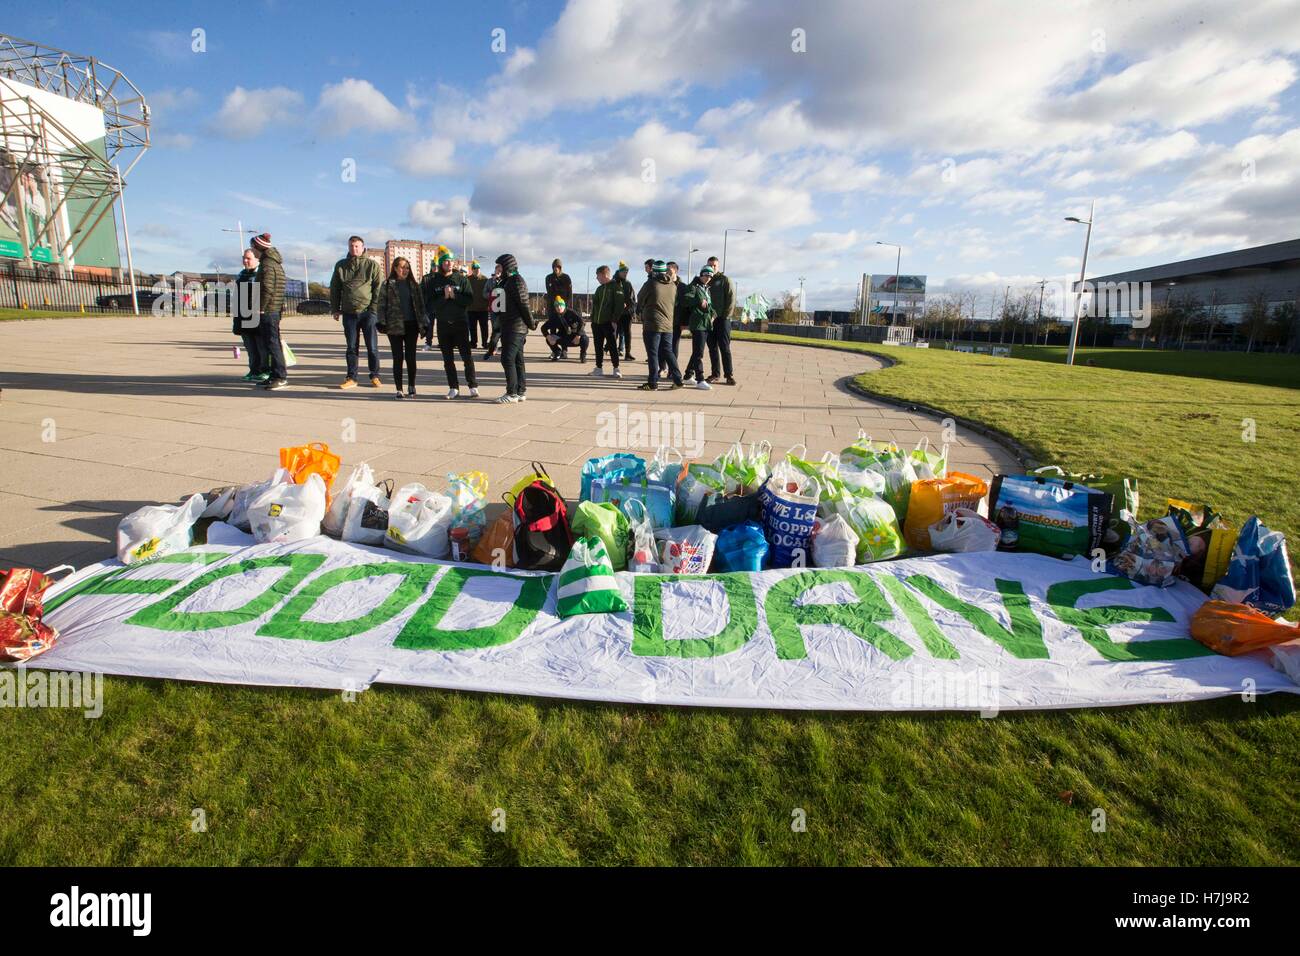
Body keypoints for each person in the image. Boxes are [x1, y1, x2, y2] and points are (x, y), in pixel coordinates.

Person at [329, 236, 383, 389]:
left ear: (363, 247)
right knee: (351, 347)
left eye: (357, 246)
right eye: (351, 246)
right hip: (349, 313)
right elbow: (335, 288)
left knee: (372, 347)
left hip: (368, 313)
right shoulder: (341, 266)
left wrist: (373, 309)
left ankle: (375, 375)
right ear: (348, 247)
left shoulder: (372, 265)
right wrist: (335, 308)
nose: (354, 249)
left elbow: (378, 288)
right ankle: (351, 377)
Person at [425, 245, 477, 399]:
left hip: (460, 323)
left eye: (450, 261)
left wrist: (455, 296)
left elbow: (469, 299)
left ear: (454, 263)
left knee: (467, 357)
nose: (448, 263)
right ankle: (453, 387)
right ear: (440, 263)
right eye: (445, 261)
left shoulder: (461, 279)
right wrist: (444, 298)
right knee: (448, 359)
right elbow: (430, 304)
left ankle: (473, 385)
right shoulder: (434, 281)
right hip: (443, 324)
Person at [376, 257, 426, 399]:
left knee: (411, 357)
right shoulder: (387, 284)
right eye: (401, 267)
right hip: (394, 326)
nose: (404, 270)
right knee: (397, 357)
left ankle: (412, 385)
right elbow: (381, 305)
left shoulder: (414, 285)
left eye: (407, 268)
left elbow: (421, 306)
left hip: (412, 325)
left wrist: (424, 323)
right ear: (395, 268)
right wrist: (381, 322)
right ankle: (399, 388)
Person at [494, 253, 536, 403]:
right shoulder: (506, 281)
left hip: (515, 327)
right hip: (509, 326)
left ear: (507, 266)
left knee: (507, 359)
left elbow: (524, 304)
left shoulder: (516, 281)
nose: (497, 269)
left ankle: (511, 393)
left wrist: (531, 323)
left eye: (499, 266)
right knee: (518, 359)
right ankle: (520, 391)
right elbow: (497, 305)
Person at [636, 259, 684, 391]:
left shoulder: (651, 283)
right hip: (668, 325)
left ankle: (653, 382)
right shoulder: (673, 285)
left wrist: (641, 310)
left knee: (653, 354)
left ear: (654, 271)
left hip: (653, 324)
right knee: (668, 352)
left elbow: (640, 299)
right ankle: (678, 379)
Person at [250, 233, 288, 391]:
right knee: (272, 343)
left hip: (269, 310)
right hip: (274, 308)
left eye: (253, 247)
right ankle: (274, 375)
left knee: (272, 344)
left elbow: (267, 288)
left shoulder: (267, 264)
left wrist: (260, 306)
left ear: (259, 247)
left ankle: (280, 376)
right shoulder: (274, 262)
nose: (252, 251)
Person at [232, 248, 266, 383]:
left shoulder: (261, 274)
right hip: (243, 315)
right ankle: (254, 370)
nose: (245, 261)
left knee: (262, 346)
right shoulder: (241, 275)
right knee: (250, 347)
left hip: (258, 315)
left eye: (249, 258)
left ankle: (265, 370)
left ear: (257, 259)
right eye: (244, 258)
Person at [681, 265, 716, 389]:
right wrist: (698, 301)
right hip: (697, 324)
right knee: (699, 353)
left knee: (697, 351)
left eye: (710, 276)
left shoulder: (706, 288)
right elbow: (685, 300)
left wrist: (713, 314)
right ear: (701, 274)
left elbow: (709, 305)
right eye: (706, 275)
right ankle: (700, 379)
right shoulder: (694, 287)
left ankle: (687, 375)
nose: (708, 278)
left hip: (706, 323)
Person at [705, 255, 737, 385]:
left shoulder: (725, 280)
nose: (712, 267)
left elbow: (731, 299)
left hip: (722, 319)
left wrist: (725, 316)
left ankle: (729, 375)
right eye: (710, 265)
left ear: (718, 266)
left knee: (725, 348)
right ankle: (715, 374)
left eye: (714, 266)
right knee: (712, 348)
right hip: (709, 320)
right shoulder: (705, 280)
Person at [589, 264, 623, 379]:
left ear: (604, 275)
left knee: (612, 346)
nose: (597, 278)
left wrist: (614, 320)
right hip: (597, 323)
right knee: (598, 346)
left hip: (609, 323)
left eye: (598, 276)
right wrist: (593, 320)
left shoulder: (616, 287)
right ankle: (598, 368)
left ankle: (616, 368)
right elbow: (595, 305)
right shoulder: (599, 289)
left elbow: (618, 306)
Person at [613, 260, 637, 361]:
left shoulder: (628, 284)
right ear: (619, 272)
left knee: (627, 333)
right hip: (616, 313)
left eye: (627, 272)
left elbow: (632, 299)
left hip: (627, 313)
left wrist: (631, 309)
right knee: (614, 333)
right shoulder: (613, 283)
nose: (625, 274)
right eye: (624, 272)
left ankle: (627, 353)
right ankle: (613, 352)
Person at [466, 259, 490, 352]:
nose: (477, 270)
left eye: (478, 268)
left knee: (484, 327)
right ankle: (473, 343)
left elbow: (489, 292)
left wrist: (488, 304)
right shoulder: (468, 279)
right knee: (472, 328)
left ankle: (485, 343)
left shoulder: (485, 279)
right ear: (472, 269)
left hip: (483, 308)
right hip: (471, 308)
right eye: (475, 268)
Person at [544, 259, 572, 326]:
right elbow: (549, 292)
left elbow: (570, 292)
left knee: (564, 324)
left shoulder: (566, 277)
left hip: (563, 305)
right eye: (554, 267)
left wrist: (567, 305)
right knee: (552, 324)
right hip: (552, 305)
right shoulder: (548, 278)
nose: (556, 268)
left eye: (558, 267)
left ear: (560, 268)